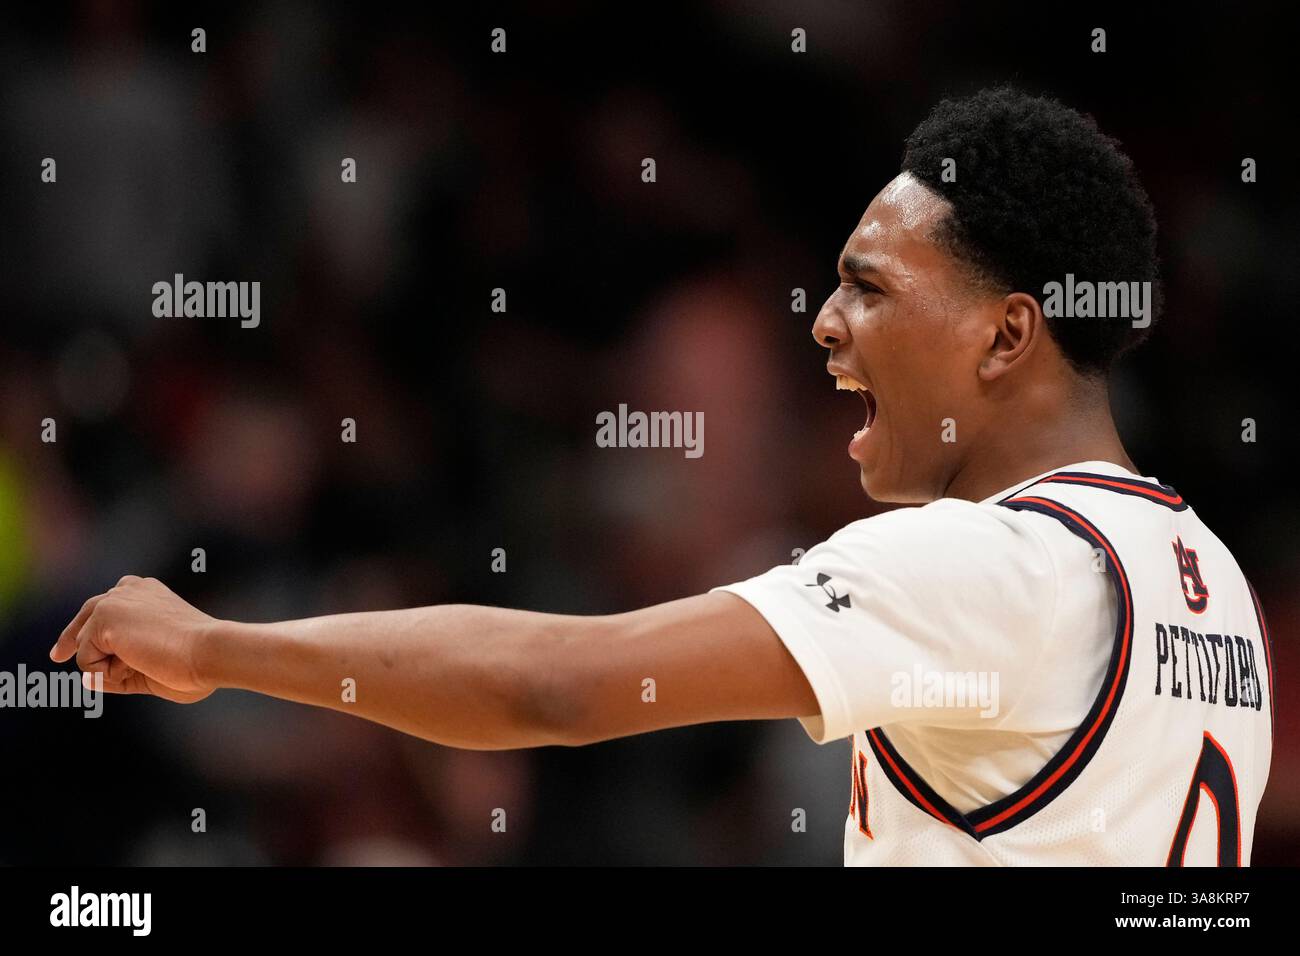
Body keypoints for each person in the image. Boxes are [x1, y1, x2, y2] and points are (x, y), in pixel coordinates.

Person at [53, 87, 1273, 865]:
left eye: (870, 285)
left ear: (1006, 336)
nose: (824, 323)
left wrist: (216, 648)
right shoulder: (1210, 581)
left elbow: (555, 688)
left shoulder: (985, 564)